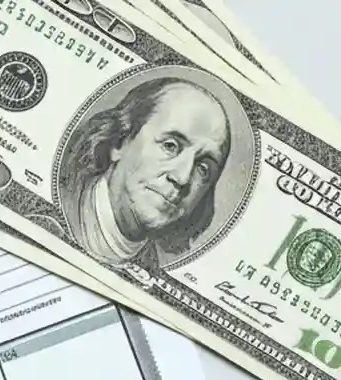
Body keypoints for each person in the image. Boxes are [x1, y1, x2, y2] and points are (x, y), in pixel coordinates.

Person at [60, 76, 231, 268]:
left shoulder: (153, 269)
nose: (182, 178)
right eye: (170, 146)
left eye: (203, 169)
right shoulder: (63, 205)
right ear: (120, 141)